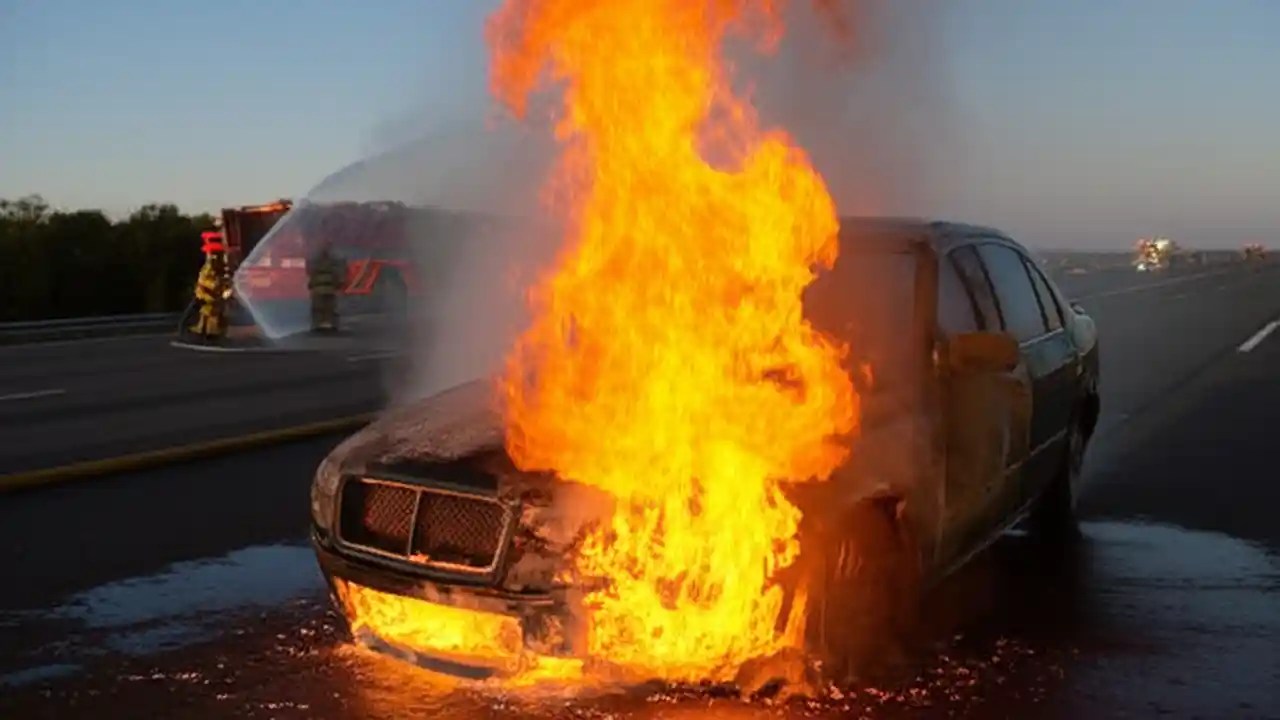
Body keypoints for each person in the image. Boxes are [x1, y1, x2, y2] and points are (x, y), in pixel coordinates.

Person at [190, 227, 232, 341]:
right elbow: (206, 279)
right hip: (208, 293)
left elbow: (220, 275)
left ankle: (209, 331)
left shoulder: (216, 264)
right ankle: (210, 332)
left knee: (213, 311)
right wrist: (218, 285)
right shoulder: (210, 265)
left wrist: (225, 284)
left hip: (212, 293)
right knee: (211, 311)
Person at [308, 240, 344, 332]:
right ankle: (329, 323)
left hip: (320, 289)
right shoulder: (335, 260)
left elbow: (312, 275)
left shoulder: (315, 261)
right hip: (328, 289)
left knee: (321, 307)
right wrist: (338, 285)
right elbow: (337, 275)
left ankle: (320, 324)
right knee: (329, 307)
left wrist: (311, 286)